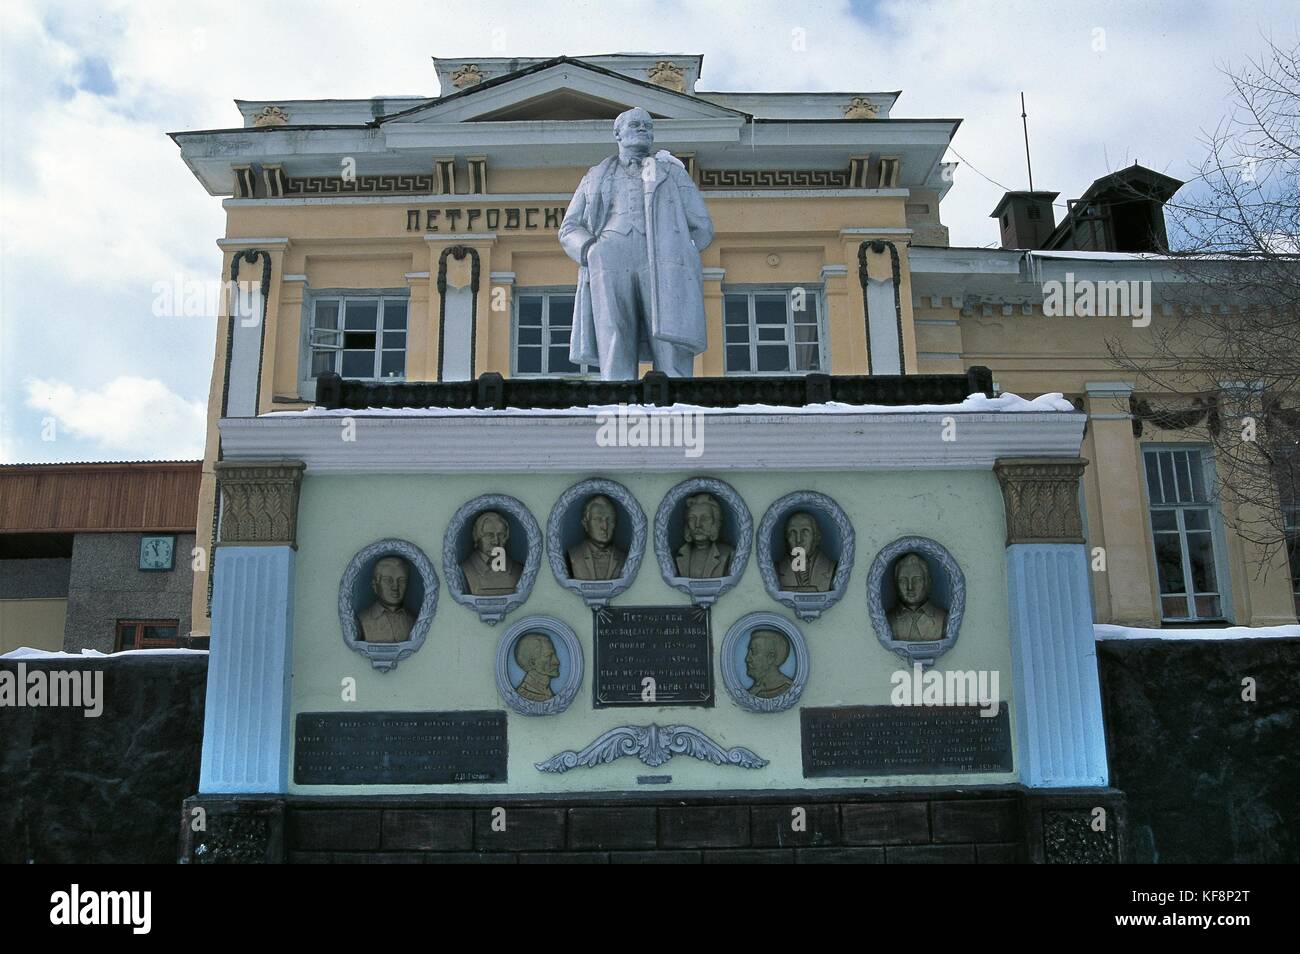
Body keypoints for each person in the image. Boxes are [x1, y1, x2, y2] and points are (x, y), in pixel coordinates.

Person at [559, 106, 715, 380]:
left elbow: (702, 226)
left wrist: (682, 252)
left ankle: (674, 393)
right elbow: (569, 227)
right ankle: (617, 397)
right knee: (614, 330)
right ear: (618, 134)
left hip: (660, 257)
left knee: (668, 331)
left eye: (648, 126)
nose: (644, 129)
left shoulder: (672, 172)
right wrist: (590, 250)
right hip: (609, 255)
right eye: (636, 125)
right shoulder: (595, 175)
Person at [887, 553, 948, 642]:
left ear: (928, 583)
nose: (910, 587)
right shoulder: (887, 621)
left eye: (917, 580)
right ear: (895, 584)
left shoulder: (944, 619)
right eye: (903, 581)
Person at [460, 511, 523, 596]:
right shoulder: (464, 570)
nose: (496, 541)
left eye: (501, 535)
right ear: (477, 536)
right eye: (489, 535)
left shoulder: (518, 570)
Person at [567, 495, 626, 580]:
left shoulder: (624, 559)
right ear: (585, 524)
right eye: (598, 519)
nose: (604, 526)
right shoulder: (574, 556)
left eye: (610, 520)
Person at [675, 492, 733, 578]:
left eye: (705, 518)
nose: (698, 525)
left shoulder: (727, 554)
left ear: (715, 523)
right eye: (692, 518)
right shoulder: (676, 555)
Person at [357, 556, 415, 642]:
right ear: (375, 585)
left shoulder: (415, 621)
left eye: (402, 580)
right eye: (388, 580)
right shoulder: (360, 620)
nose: (395, 587)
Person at [776, 511, 837, 592]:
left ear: (817, 537)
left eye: (805, 531)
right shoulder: (776, 570)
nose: (798, 540)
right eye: (792, 532)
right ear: (787, 538)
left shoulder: (834, 569)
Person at [745, 629, 794, 699]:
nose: (747, 659)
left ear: (771, 657)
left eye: (753, 652)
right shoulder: (752, 692)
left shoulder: (789, 689)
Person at [514, 633, 561, 702]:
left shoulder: (546, 692)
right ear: (533, 663)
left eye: (554, 655)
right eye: (548, 656)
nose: (557, 662)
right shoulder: (525, 694)